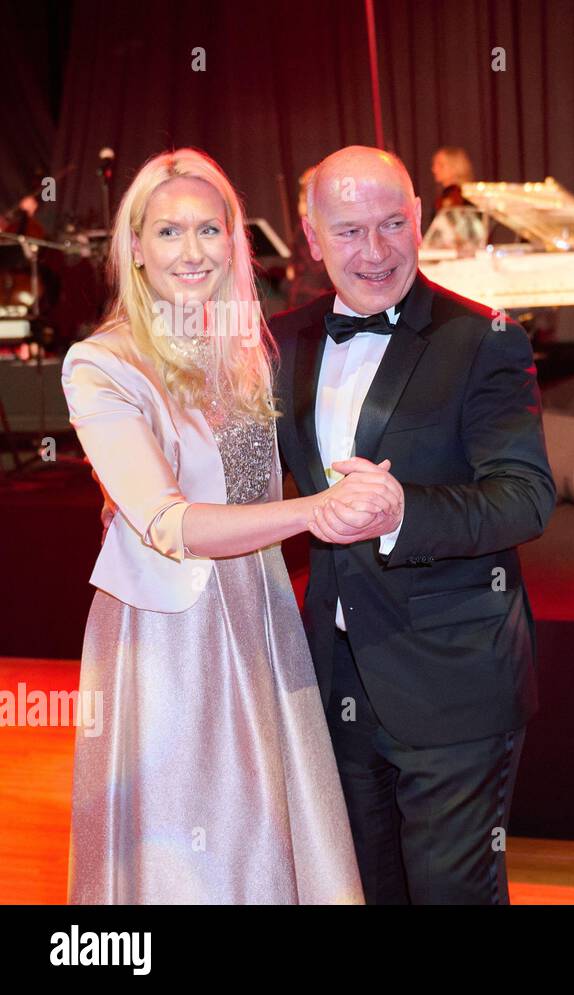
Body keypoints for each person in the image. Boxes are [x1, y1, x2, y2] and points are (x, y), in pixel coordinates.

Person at [61, 148, 391, 903]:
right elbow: (168, 522)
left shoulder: (245, 351)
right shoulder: (101, 363)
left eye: (209, 229)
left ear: (235, 241)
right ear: (135, 248)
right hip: (171, 634)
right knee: (197, 846)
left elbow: (256, 484)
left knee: (277, 827)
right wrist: (318, 513)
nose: (191, 250)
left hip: (263, 609)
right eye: (168, 231)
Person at [274, 145, 554, 904]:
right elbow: (244, 482)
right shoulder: (280, 341)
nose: (375, 251)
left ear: (421, 218)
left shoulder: (483, 339)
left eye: (393, 224)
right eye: (351, 230)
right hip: (333, 678)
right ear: (311, 235)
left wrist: (405, 511)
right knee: (361, 890)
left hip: (455, 674)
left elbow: (525, 496)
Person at [422, 145, 486, 253]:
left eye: (441, 165)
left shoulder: (464, 197)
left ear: (455, 167)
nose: (434, 169)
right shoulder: (447, 196)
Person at [285, 166, 333, 308]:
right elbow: (317, 267)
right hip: (311, 294)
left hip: (313, 292)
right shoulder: (307, 228)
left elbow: (291, 270)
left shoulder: (312, 226)